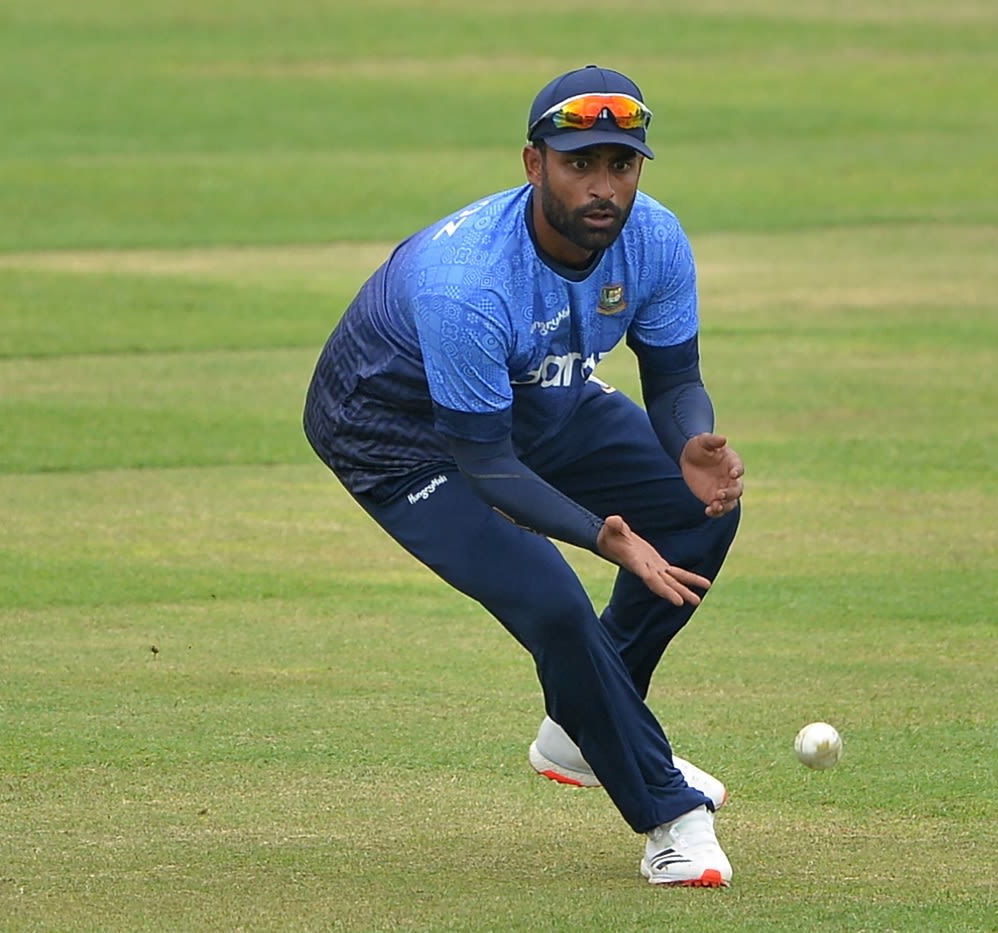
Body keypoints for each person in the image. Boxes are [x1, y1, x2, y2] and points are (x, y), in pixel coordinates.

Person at [303, 64, 744, 887]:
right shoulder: (470, 281)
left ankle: (583, 729)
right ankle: (670, 815)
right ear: (534, 164)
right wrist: (601, 535)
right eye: (580, 164)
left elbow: (675, 379)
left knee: (701, 510)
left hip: (532, 393)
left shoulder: (654, 238)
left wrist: (689, 439)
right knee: (553, 601)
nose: (603, 186)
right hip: (396, 434)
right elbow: (489, 466)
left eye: (621, 163)